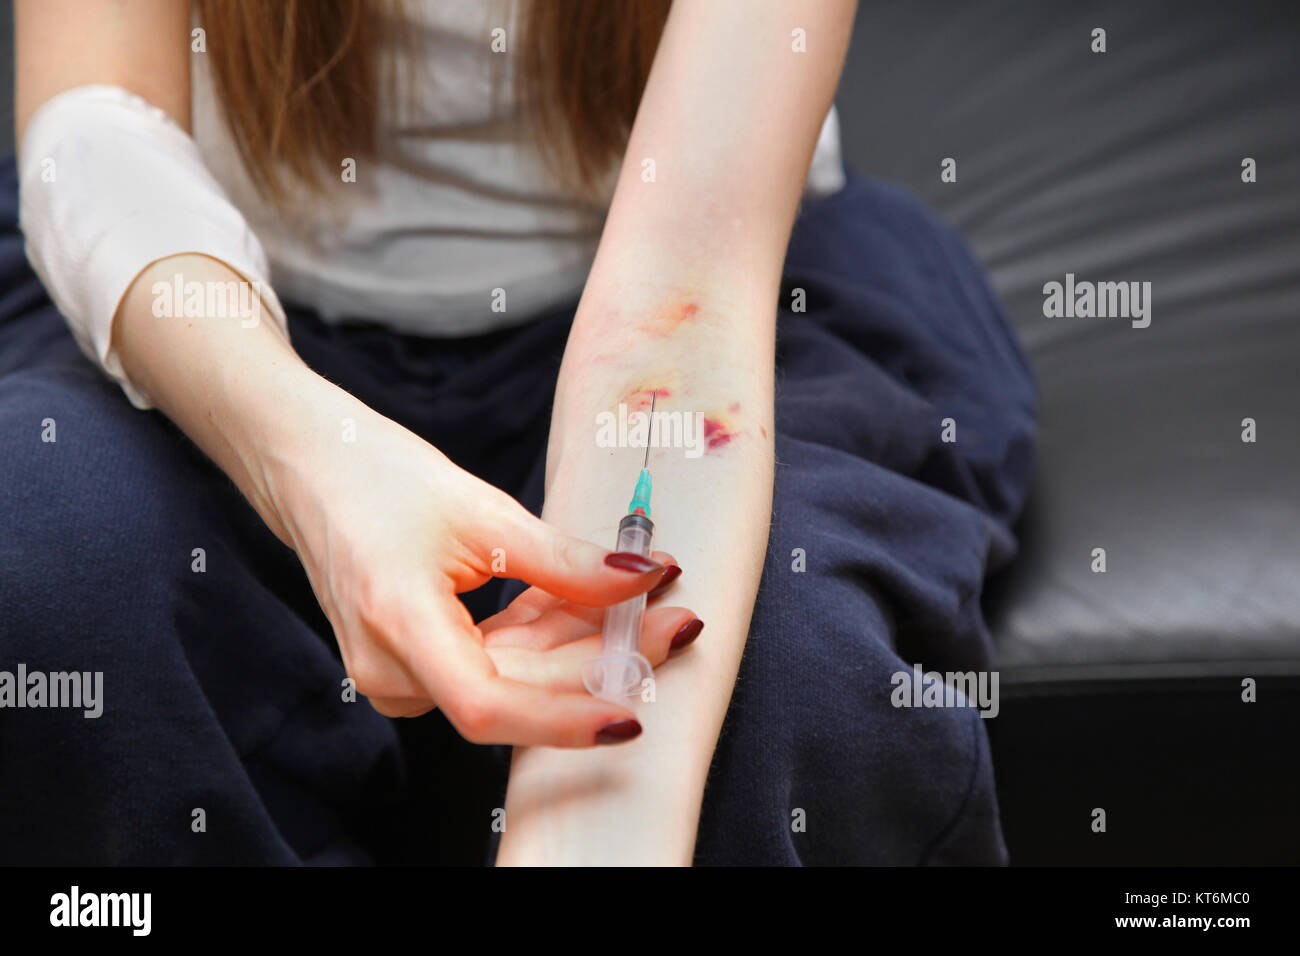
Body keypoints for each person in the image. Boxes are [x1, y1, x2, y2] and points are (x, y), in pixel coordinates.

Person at [0, 0, 1037, 865]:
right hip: (212, 295)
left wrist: (593, 834)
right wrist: (311, 464)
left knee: (788, 664)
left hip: (722, 283)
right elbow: (100, 120)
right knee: (56, 571)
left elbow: (678, 305)